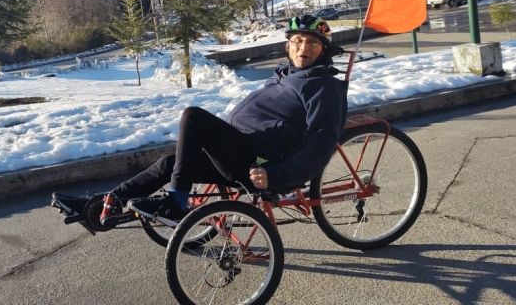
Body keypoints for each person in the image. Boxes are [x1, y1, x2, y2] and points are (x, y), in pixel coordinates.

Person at [53, 14, 348, 228]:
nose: (302, 48)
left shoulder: (324, 86)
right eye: (297, 41)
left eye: (312, 42)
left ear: (324, 49)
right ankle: (102, 204)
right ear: (288, 46)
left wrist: (279, 176)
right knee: (171, 163)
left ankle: (177, 202)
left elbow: (321, 143)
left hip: (261, 163)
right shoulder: (286, 75)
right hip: (240, 148)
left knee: (193, 117)